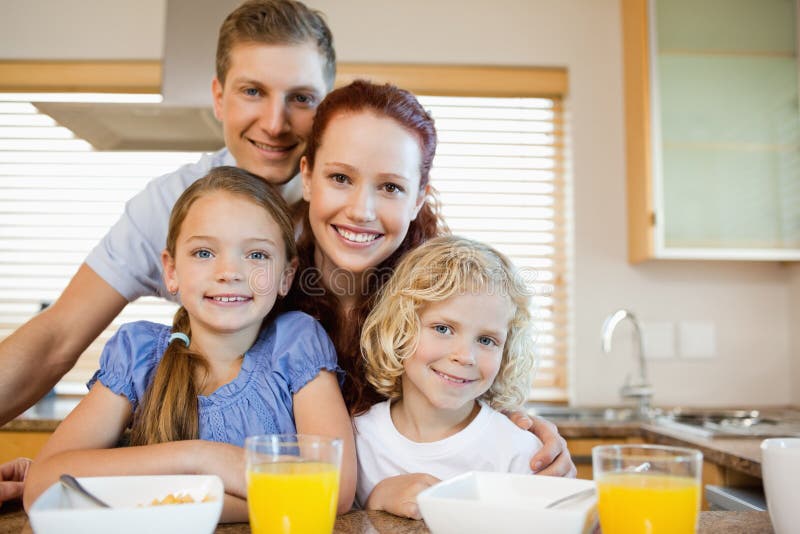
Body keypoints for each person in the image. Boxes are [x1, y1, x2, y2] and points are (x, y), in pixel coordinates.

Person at [0, 0, 571, 498]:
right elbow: (55, 339)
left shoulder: (410, 248)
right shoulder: (182, 205)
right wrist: (104, 473)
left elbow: (465, 354)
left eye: (299, 98)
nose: (275, 123)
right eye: (253, 91)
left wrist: (517, 441)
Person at [21, 167, 357, 521]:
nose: (230, 272)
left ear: (285, 276)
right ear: (171, 270)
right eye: (204, 253)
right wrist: (200, 457)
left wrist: (177, 498)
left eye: (256, 255)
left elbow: (333, 490)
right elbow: (43, 485)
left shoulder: (295, 345)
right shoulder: (140, 358)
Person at [288, 79, 575, 476]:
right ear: (306, 176)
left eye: (390, 186)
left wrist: (527, 438)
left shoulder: (442, 288)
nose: (362, 210)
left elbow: (472, 398)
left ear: (418, 198)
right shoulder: (263, 293)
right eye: (340, 178)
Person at [354, 235, 542, 518]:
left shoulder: (519, 451)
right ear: (400, 328)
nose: (465, 356)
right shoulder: (358, 437)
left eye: (487, 340)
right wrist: (376, 499)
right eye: (443, 329)